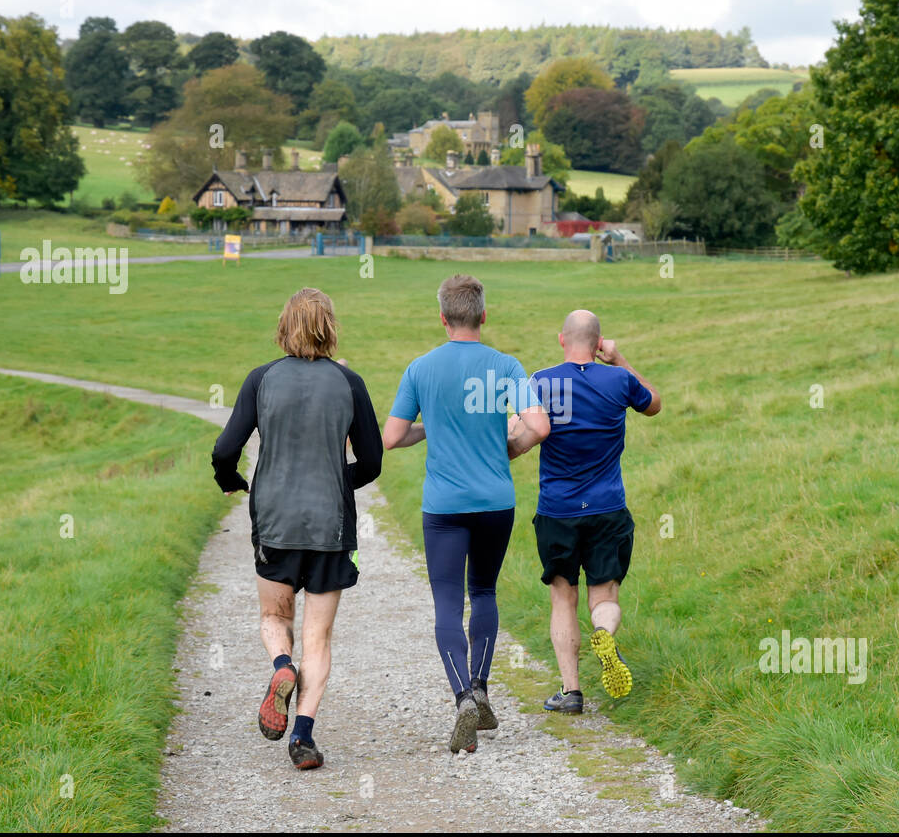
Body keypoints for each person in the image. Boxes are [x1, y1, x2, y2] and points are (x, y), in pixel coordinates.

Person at [211, 288, 382, 770]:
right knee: (320, 639)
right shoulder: (350, 382)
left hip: (275, 523)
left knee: (274, 619)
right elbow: (371, 461)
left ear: (284, 326)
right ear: (330, 328)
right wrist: (337, 481)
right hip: (330, 526)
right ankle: (303, 738)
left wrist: (234, 482)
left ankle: (281, 667)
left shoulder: (260, 379)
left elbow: (226, 449)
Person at [383, 274, 549, 753]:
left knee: (447, 602)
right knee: (484, 590)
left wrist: (430, 428)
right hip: (496, 501)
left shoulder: (421, 368)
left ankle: (461, 700)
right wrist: (510, 449)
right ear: (482, 316)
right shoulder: (506, 365)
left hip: (445, 508)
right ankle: (480, 687)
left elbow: (393, 437)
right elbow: (539, 424)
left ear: (442, 317)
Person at [513, 309, 661, 714]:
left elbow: (519, 433)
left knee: (563, 597)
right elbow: (655, 405)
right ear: (599, 344)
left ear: (562, 339)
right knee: (604, 593)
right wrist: (621, 360)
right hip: (607, 507)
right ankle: (604, 633)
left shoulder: (541, 381)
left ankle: (571, 692)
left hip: (557, 510)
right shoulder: (619, 380)